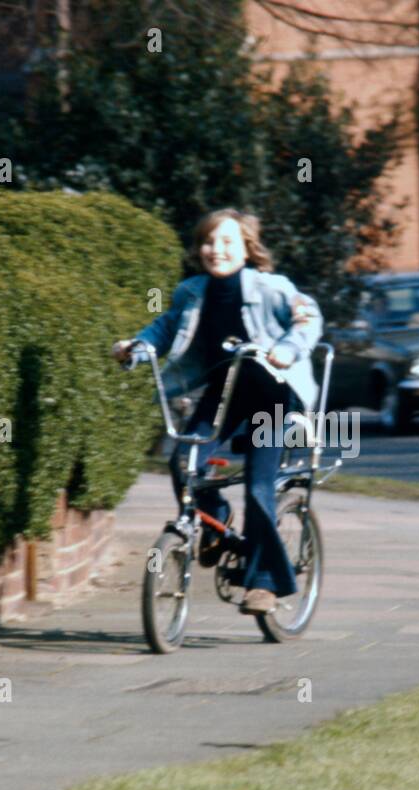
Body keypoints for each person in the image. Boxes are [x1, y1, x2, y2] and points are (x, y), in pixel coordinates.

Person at [111, 209, 322, 616]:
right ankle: (216, 525)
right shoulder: (192, 292)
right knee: (182, 463)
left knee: (260, 490)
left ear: (246, 247)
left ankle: (264, 584)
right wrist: (134, 348)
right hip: (223, 394)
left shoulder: (272, 287)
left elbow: (307, 318)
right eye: (209, 242)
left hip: (269, 397)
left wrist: (287, 350)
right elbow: (164, 328)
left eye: (227, 242)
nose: (216, 250)